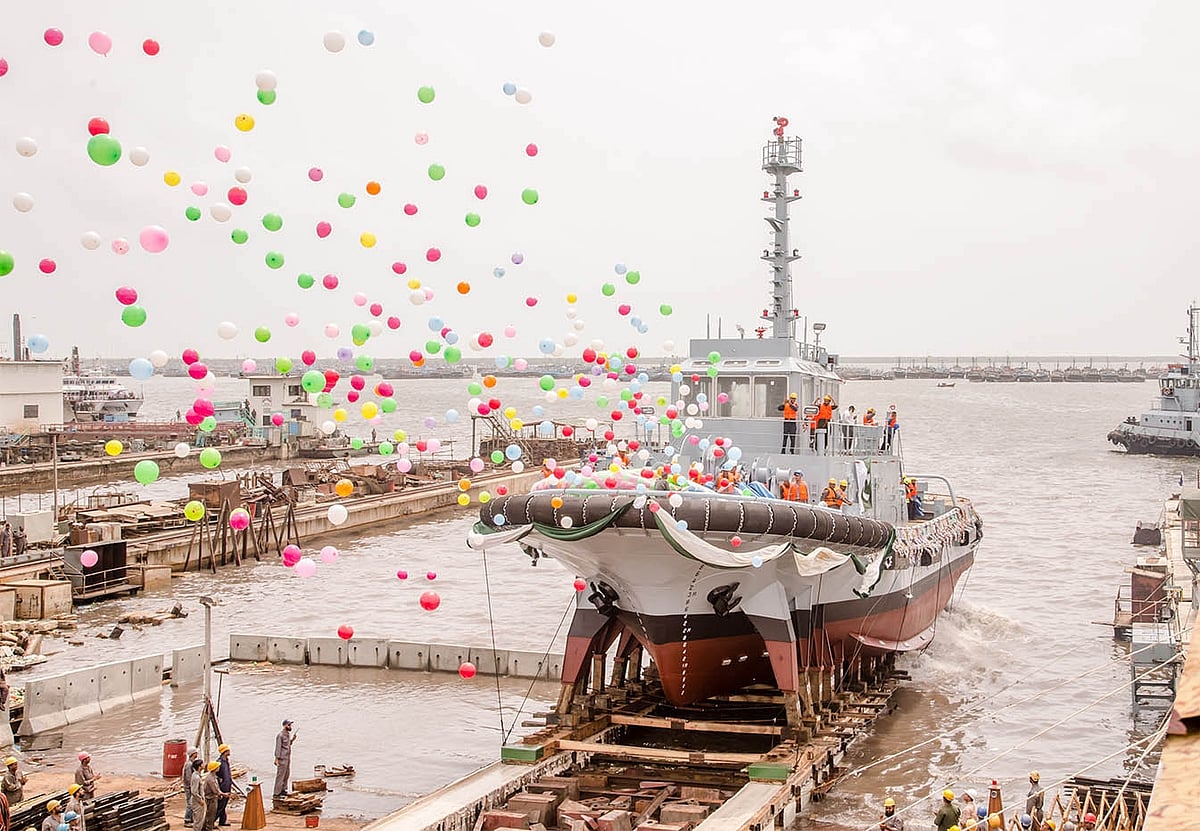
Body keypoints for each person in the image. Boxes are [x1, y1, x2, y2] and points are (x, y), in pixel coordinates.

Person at [274, 719, 296, 798]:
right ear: (284, 725)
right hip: (282, 758)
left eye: (290, 725)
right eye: (289, 725)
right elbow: (278, 748)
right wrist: (276, 759)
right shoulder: (280, 735)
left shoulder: (287, 734)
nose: (290, 727)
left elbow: (287, 745)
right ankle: (277, 792)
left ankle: (283, 789)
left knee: (286, 774)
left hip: (287, 758)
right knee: (280, 775)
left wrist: (292, 740)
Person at [202, 761, 226, 831]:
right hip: (211, 799)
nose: (219, 768)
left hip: (212, 797)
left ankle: (205, 827)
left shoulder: (213, 776)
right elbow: (215, 790)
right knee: (211, 815)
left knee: (209, 814)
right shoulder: (211, 779)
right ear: (215, 768)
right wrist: (223, 794)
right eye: (218, 767)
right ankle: (209, 828)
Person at [215, 744, 233, 826]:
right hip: (222, 786)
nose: (229, 751)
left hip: (227, 785)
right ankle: (210, 822)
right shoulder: (219, 762)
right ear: (224, 752)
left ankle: (222, 821)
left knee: (224, 804)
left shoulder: (226, 760)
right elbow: (214, 774)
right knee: (220, 805)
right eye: (228, 750)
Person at [188, 759, 207, 831]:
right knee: (198, 820)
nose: (204, 765)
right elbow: (194, 791)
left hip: (196, 801)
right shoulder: (196, 777)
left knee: (198, 819)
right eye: (202, 764)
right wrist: (200, 800)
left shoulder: (195, 775)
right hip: (197, 802)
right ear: (199, 767)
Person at [182, 749, 199, 825]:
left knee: (191, 802)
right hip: (189, 787)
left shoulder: (190, 763)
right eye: (196, 753)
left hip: (189, 786)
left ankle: (191, 818)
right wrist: (192, 786)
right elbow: (188, 777)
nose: (197, 754)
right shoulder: (189, 764)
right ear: (193, 754)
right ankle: (187, 819)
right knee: (190, 802)